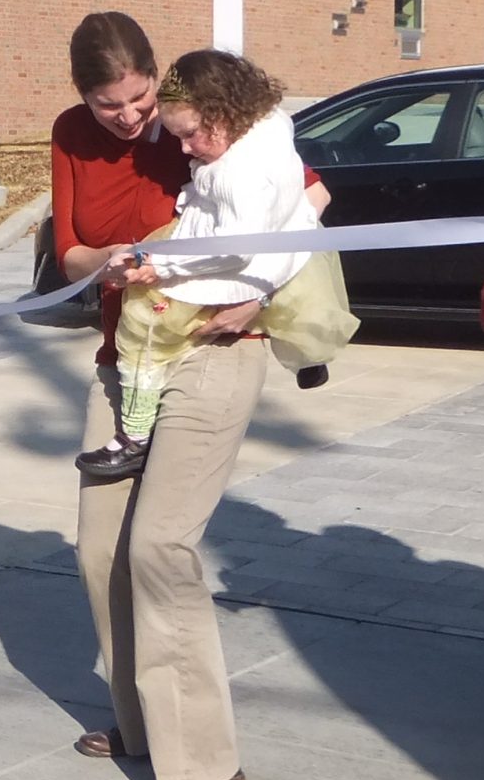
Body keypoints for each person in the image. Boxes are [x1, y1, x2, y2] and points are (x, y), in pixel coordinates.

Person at [52, 24, 272, 780]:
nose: (127, 116)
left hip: (216, 343)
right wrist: (109, 259)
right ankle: (143, 722)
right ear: (83, 96)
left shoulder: (201, 115)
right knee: (101, 545)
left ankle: (205, 760)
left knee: (159, 544)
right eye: (107, 103)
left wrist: (263, 292)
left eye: (140, 98)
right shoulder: (73, 135)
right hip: (126, 352)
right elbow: (69, 248)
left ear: (159, 78)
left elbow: (307, 200)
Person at [77, 53, 353, 484]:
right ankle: (307, 356)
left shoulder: (233, 176)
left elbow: (231, 250)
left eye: (189, 135)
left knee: (143, 323)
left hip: (220, 255)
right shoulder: (270, 124)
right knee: (302, 283)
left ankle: (134, 435)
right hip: (290, 235)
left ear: (223, 114)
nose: (185, 148)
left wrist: (160, 266)